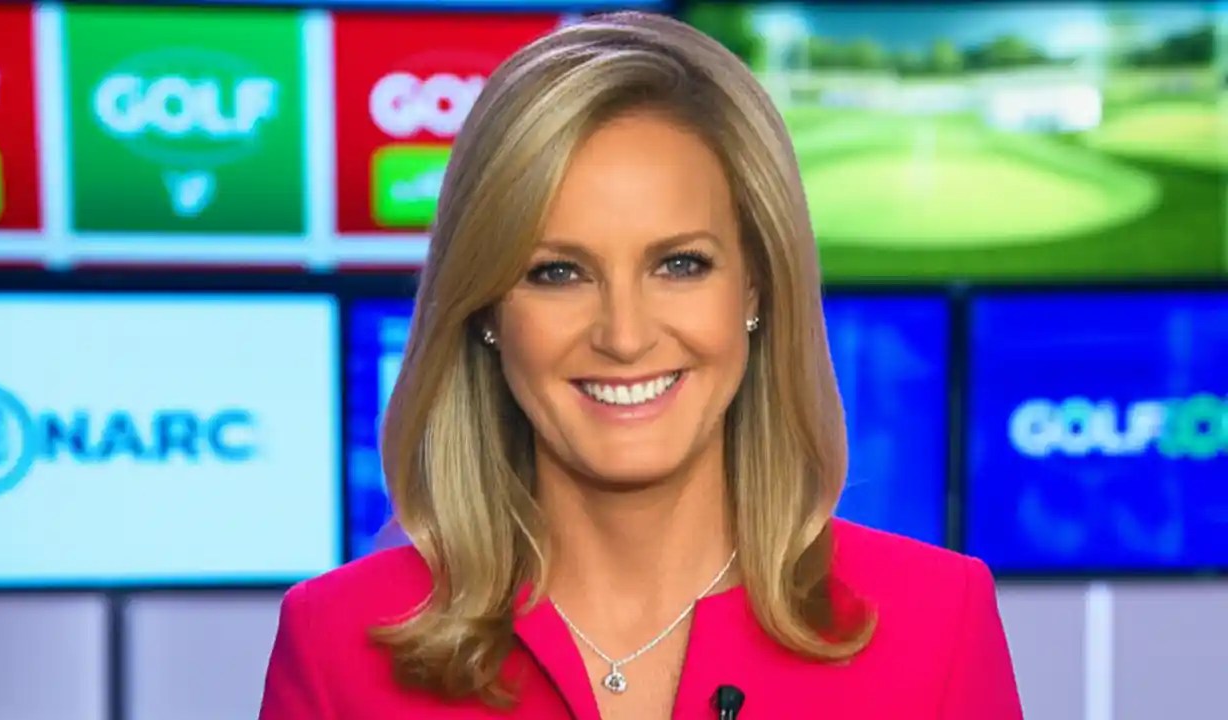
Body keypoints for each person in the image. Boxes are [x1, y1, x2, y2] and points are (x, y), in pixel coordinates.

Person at [259, 11, 1022, 719]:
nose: (624, 336)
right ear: (487, 309)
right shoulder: (338, 645)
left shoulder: (936, 625)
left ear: (755, 287)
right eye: (558, 273)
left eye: (681, 264)